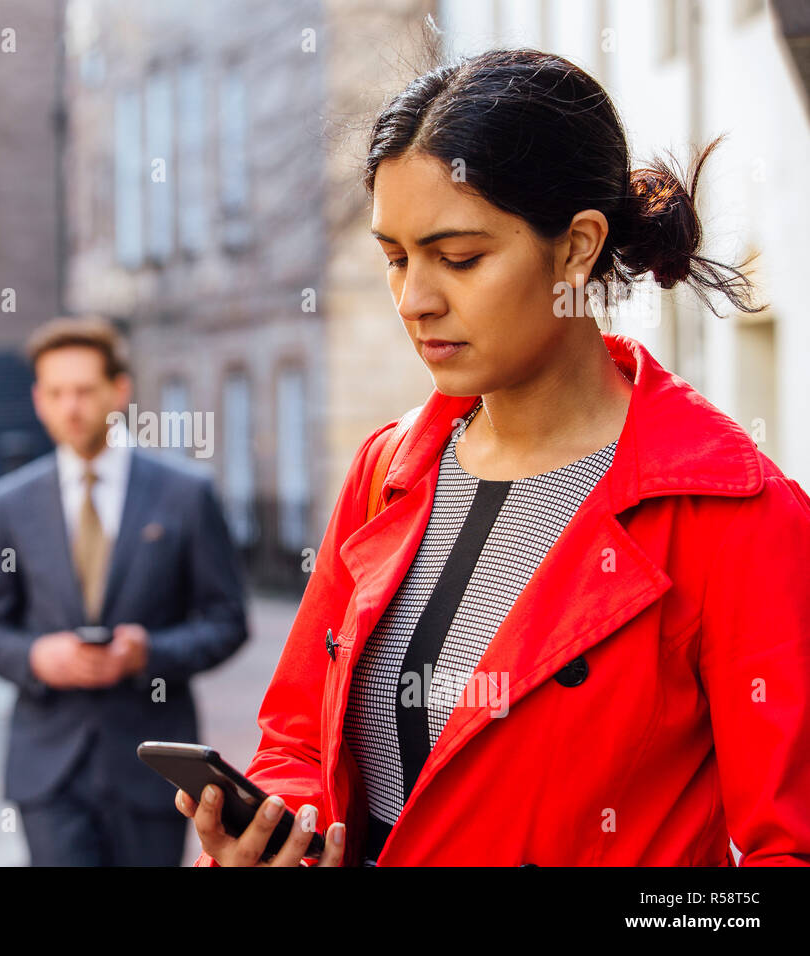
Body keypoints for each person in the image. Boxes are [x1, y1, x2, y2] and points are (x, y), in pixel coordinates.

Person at [177, 48, 810, 867]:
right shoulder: (389, 468)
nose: (415, 300)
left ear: (578, 248)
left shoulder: (735, 513)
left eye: (460, 257)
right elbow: (296, 740)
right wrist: (279, 834)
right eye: (396, 258)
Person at [0, 315, 249, 866]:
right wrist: (37, 656)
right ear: (38, 399)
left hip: (153, 770)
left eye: (83, 390)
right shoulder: (11, 501)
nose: (70, 407)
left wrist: (148, 653)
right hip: (48, 770)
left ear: (119, 390)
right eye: (56, 393)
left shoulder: (184, 494)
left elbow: (227, 620)